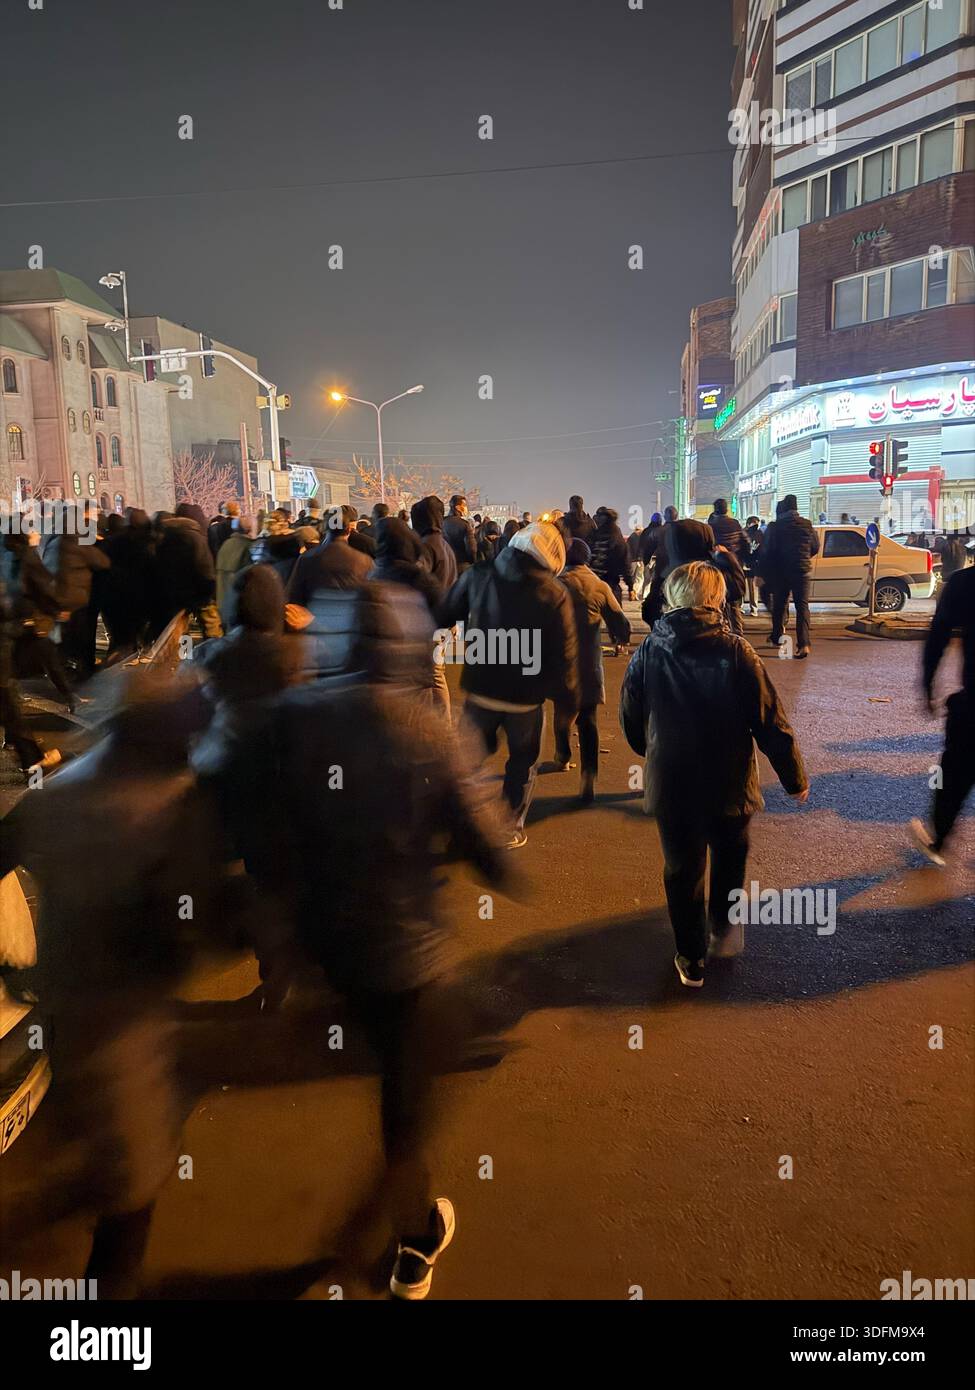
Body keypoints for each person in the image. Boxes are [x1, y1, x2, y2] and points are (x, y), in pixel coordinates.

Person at [211, 678, 511, 1298]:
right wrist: (490, 859)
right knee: (407, 1105)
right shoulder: (423, 727)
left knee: (391, 1077)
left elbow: (246, 801)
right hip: (405, 956)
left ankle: (397, 1224)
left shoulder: (302, 715)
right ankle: (414, 1244)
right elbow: (482, 839)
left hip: (332, 949)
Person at [0, 672, 236, 1296]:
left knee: (98, 1140)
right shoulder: (172, 815)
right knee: (131, 1200)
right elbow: (192, 935)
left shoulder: (63, 792)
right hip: (123, 1035)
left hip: (60, 1009)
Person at [620, 561, 808, 988]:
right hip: (729, 783)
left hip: (672, 783)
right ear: (716, 598)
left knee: (682, 870)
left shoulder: (649, 650)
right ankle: (722, 929)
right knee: (730, 858)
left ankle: (690, 957)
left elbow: (630, 715)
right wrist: (794, 776)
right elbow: (769, 720)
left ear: (673, 597)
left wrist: (651, 751)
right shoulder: (736, 651)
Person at [437, 521, 579, 847]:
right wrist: (567, 703)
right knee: (521, 764)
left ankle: (459, 818)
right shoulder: (554, 593)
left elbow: (443, 613)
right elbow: (565, 658)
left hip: (481, 689)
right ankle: (508, 828)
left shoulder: (478, 574)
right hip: (525, 700)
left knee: (468, 759)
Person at [910, 561, 974, 866]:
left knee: (956, 773)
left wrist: (928, 685)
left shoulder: (964, 583)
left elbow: (938, 638)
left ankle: (939, 839)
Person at [557, 539, 630, 801]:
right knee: (588, 719)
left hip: (558, 660)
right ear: (587, 559)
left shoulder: (554, 584)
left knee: (562, 710)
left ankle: (562, 754)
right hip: (588, 660)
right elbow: (620, 622)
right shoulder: (598, 586)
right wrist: (619, 638)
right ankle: (588, 777)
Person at [41, 503, 110, 678]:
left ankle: (62, 669)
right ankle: (82, 671)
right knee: (81, 637)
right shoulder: (78, 541)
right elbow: (103, 562)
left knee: (62, 638)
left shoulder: (51, 539)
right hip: (75, 599)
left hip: (54, 597)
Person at [149, 504, 221, 640]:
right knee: (211, 628)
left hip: (173, 592)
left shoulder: (163, 537)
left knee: (181, 632)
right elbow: (204, 566)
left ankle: (185, 652)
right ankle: (213, 651)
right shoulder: (195, 537)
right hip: (198, 592)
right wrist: (209, 590)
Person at [761, 493, 819, 658]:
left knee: (779, 605)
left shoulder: (775, 526)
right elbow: (815, 546)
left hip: (781, 571)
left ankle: (778, 637)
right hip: (802, 571)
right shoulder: (807, 524)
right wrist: (804, 558)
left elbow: (767, 551)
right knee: (802, 607)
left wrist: (763, 572)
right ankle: (804, 644)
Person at [286, 504, 373, 606]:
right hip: (352, 613)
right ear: (349, 530)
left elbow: (293, 595)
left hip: (314, 612)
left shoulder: (307, 558)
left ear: (324, 528)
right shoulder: (364, 561)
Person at [410, 496, 457, 598]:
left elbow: (416, 577)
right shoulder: (444, 544)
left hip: (431, 604)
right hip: (445, 602)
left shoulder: (427, 545)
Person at [214, 515, 255, 629]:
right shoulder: (248, 546)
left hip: (223, 601)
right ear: (250, 529)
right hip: (238, 604)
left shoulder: (226, 544)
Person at [589, 506, 633, 607]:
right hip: (610, 583)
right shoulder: (617, 538)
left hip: (593, 582)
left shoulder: (594, 536)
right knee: (614, 614)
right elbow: (625, 563)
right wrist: (630, 586)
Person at [707, 499, 749, 564]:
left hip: (718, 561)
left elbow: (709, 544)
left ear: (715, 510)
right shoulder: (735, 523)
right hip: (735, 559)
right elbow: (745, 539)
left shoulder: (711, 525)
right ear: (726, 510)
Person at [443, 495, 477, 574]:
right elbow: (471, 548)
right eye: (464, 505)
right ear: (458, 507)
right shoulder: (464, 525)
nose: (466, 508)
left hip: (446, 565)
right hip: (462, 566)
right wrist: (473, 561)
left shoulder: (442, 522)